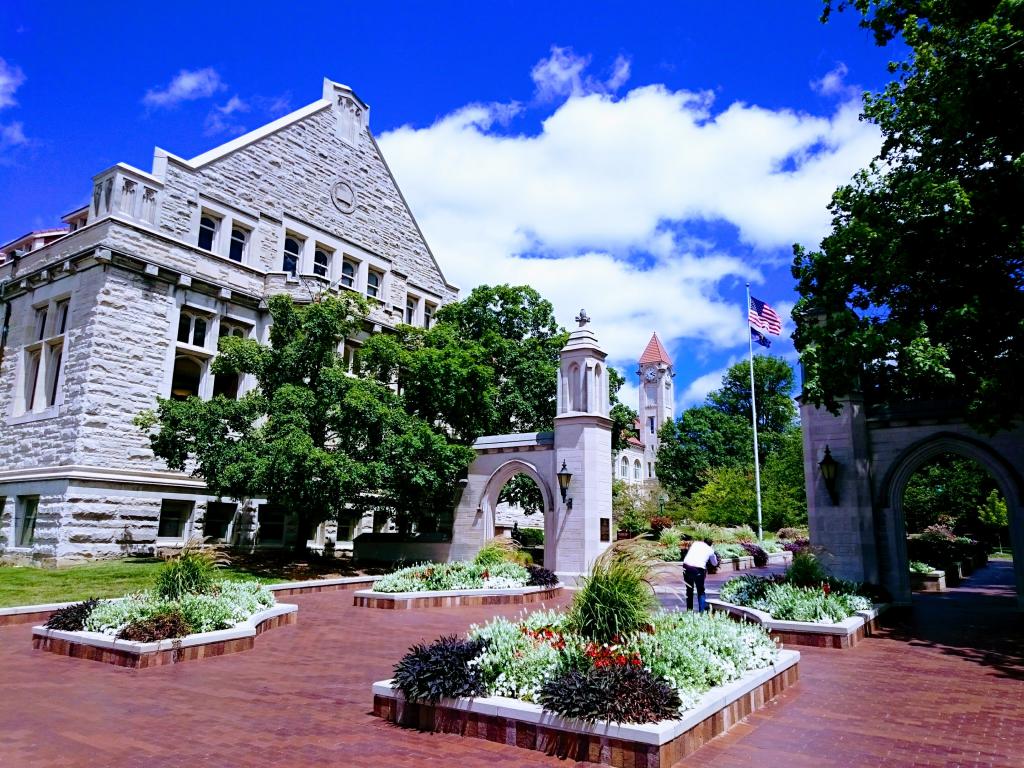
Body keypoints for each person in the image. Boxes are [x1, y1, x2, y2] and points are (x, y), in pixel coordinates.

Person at [682, 537, 719, 612]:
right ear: (711, 544)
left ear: (703, 541)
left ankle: (689, 611)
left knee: (689, 590)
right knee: (701, 591)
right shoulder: (710, 550)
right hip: (698, 569)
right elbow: (714, 563)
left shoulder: (695, 544)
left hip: (686, 566)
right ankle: (702, 613)